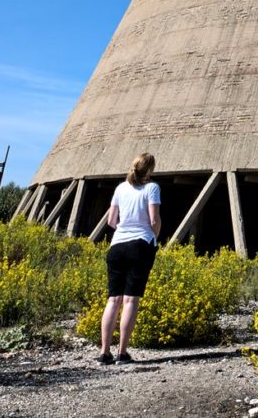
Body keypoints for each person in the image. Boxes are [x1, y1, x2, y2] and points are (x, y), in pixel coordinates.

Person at [99, 152, 161, 364]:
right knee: (130, 299)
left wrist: (124, 231)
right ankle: (122, 353)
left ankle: (104, 353)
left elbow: (110, 221)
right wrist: (153, 237)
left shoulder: (120, 188)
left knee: (113, 300)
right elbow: (154, 219)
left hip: (116, 246)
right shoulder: (152, 188)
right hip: (139, 245)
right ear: (150, 169)